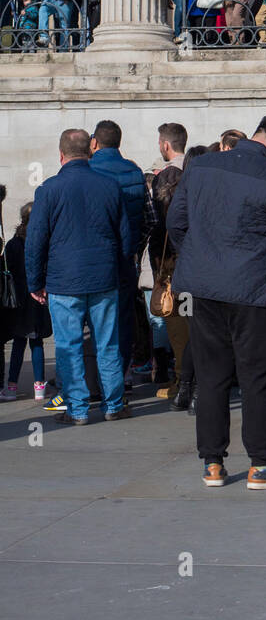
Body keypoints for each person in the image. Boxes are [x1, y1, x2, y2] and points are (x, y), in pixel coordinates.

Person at [167, 115, 266, 488]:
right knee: (257, 378)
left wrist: (201, 259)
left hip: (205, 289)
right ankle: (261, 464)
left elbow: (175, 223)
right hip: (254, 290)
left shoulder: (200, 166)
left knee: (212, 375)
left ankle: (213, 463)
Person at [25, 129, 130, 425]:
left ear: (61, 155)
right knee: (107, 345)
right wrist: (122, 275)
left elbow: (35, 241)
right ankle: (113, 404)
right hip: (103, 279)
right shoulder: (110, 186)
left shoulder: (48, 189)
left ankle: (77, 408)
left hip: (63, 281)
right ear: (90, 150)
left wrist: (35, 281)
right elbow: (125, 239)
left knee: (68, 347)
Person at [89, 120, 155, 385]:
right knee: (125, 317)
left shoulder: (90, 170)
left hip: (96, 258)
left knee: (96, 319)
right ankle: (124, 371)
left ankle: (102, 378)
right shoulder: (134, 172)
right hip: (127, 257)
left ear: (94, 143)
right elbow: (150, 220)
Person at [148, 123, 189, 406]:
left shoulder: (169, 177)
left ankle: (182, 379)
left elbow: (164, 224)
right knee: (193, 321)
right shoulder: (199, 168)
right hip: (199, 261)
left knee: (176, 324)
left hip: (173, 263)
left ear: (165, 145)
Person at [1, 203, 52, 401]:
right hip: (39, 295)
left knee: (19, 343)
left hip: (20, 299)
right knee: (37, 342)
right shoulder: (43, 240)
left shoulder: (14, 243)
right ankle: (39, 386)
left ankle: (12, 386)